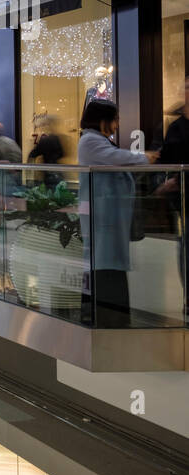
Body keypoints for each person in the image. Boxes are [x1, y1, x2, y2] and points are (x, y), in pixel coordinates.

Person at [77, 99, 158, 327]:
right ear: (103, 120)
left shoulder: (97, 140)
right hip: (103, 217)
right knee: (106, 266)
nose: (117, 124)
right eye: (115, 119)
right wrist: (144, 158)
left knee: (109, 265)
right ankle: (109, 319)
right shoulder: (90, 141)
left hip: (108, 216)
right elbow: (117, 159)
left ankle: (113, 317)